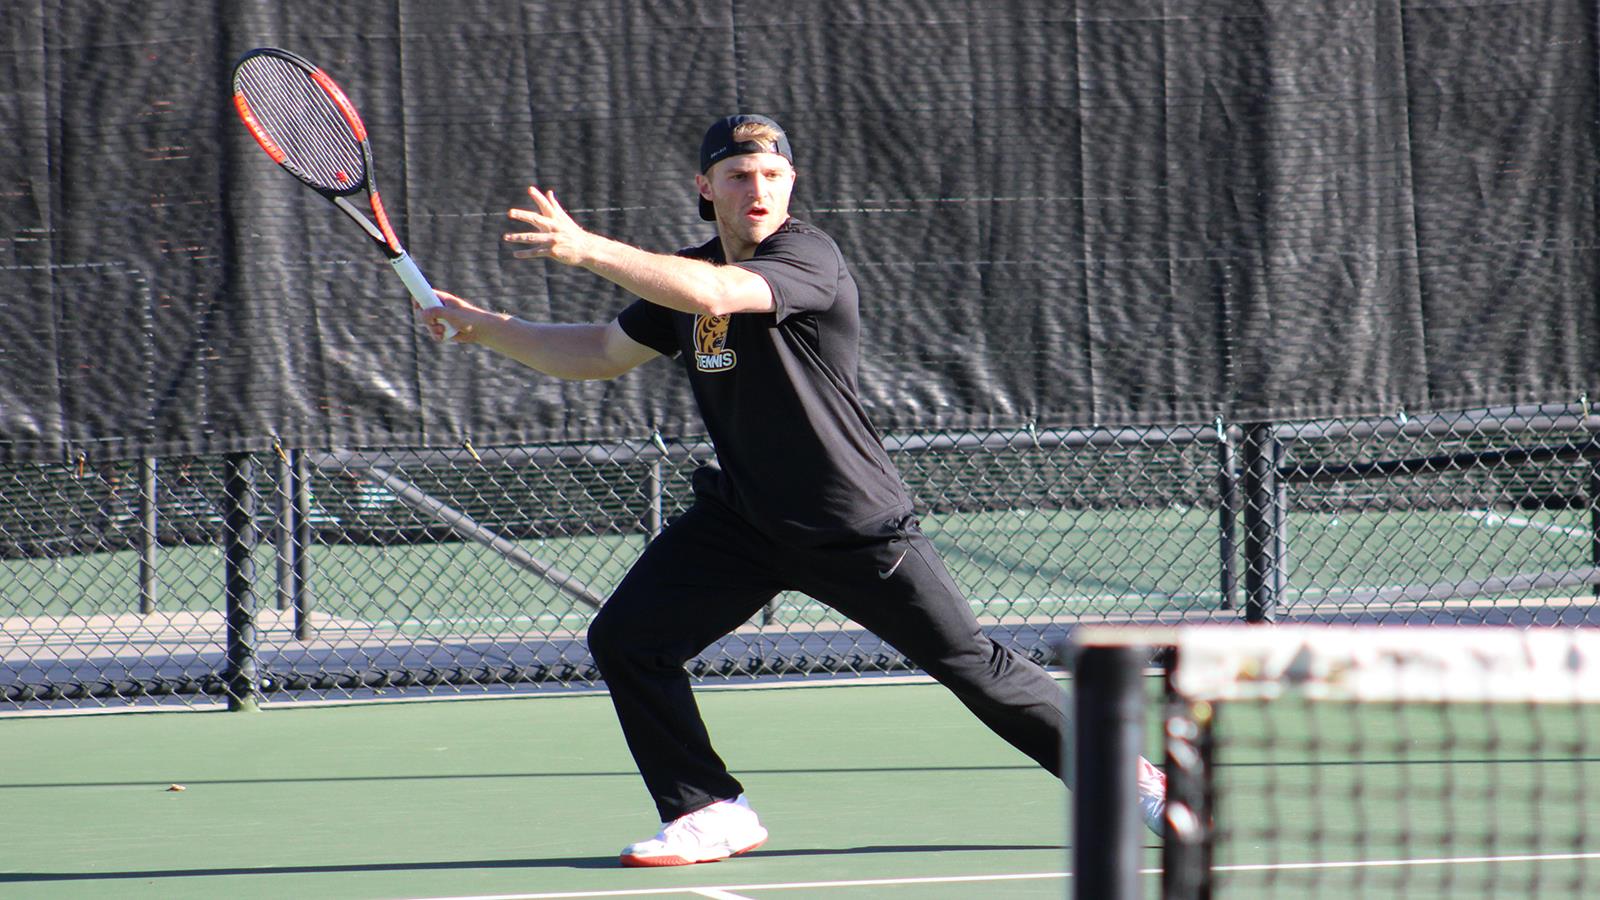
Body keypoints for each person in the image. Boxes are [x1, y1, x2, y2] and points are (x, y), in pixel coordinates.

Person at [418, 114, 1166, 867]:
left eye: (773, 176)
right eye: (739, 176)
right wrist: (486, 327)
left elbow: (715, 293)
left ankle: (1134, 778)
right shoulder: (683, 274)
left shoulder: (807, 256)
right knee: (628, 640)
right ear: (704, 189)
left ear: (791, 186)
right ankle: (710, 810)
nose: (759, 189)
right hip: (743, 521)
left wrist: (588, 248)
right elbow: (600, 351)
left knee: (973, 666)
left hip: (850, 521)